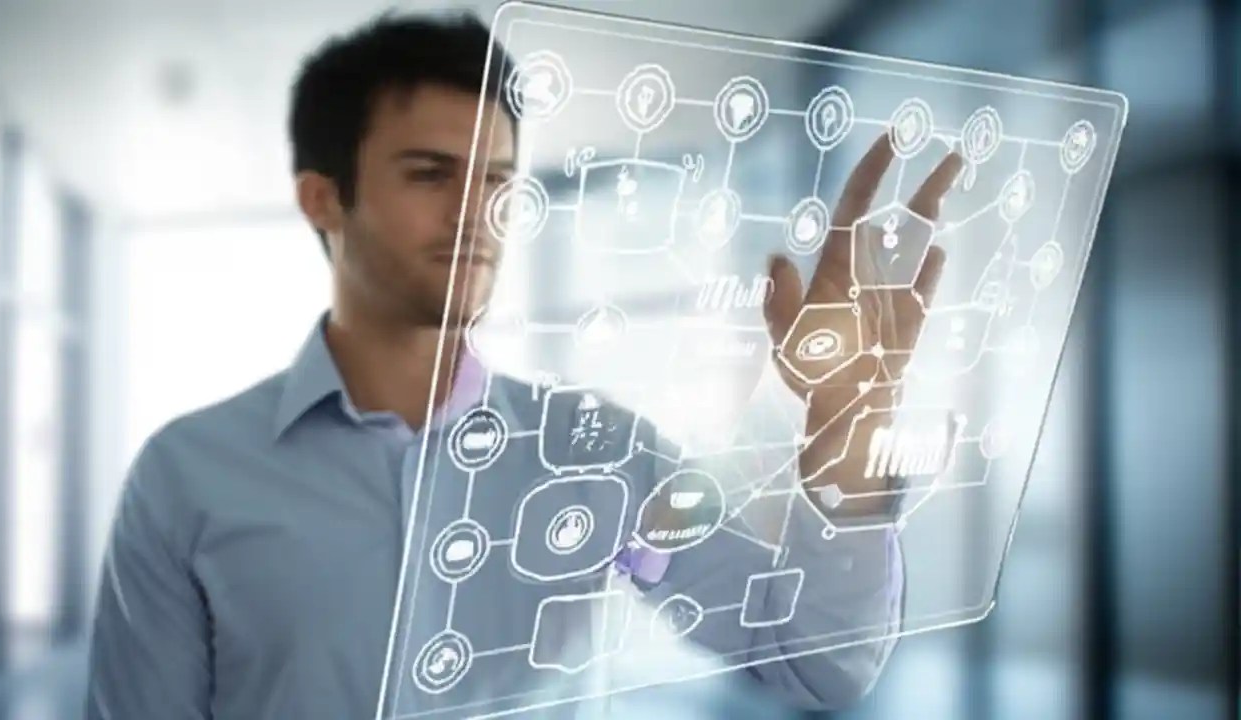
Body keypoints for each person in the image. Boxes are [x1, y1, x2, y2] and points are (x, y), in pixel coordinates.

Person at [85, 10, 963, 720]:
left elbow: (813, 661)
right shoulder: (187, 477)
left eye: (497, 182)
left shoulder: (599, 457)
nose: (476, 215)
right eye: (431, 175)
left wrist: (846, 432)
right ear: (324, 199)